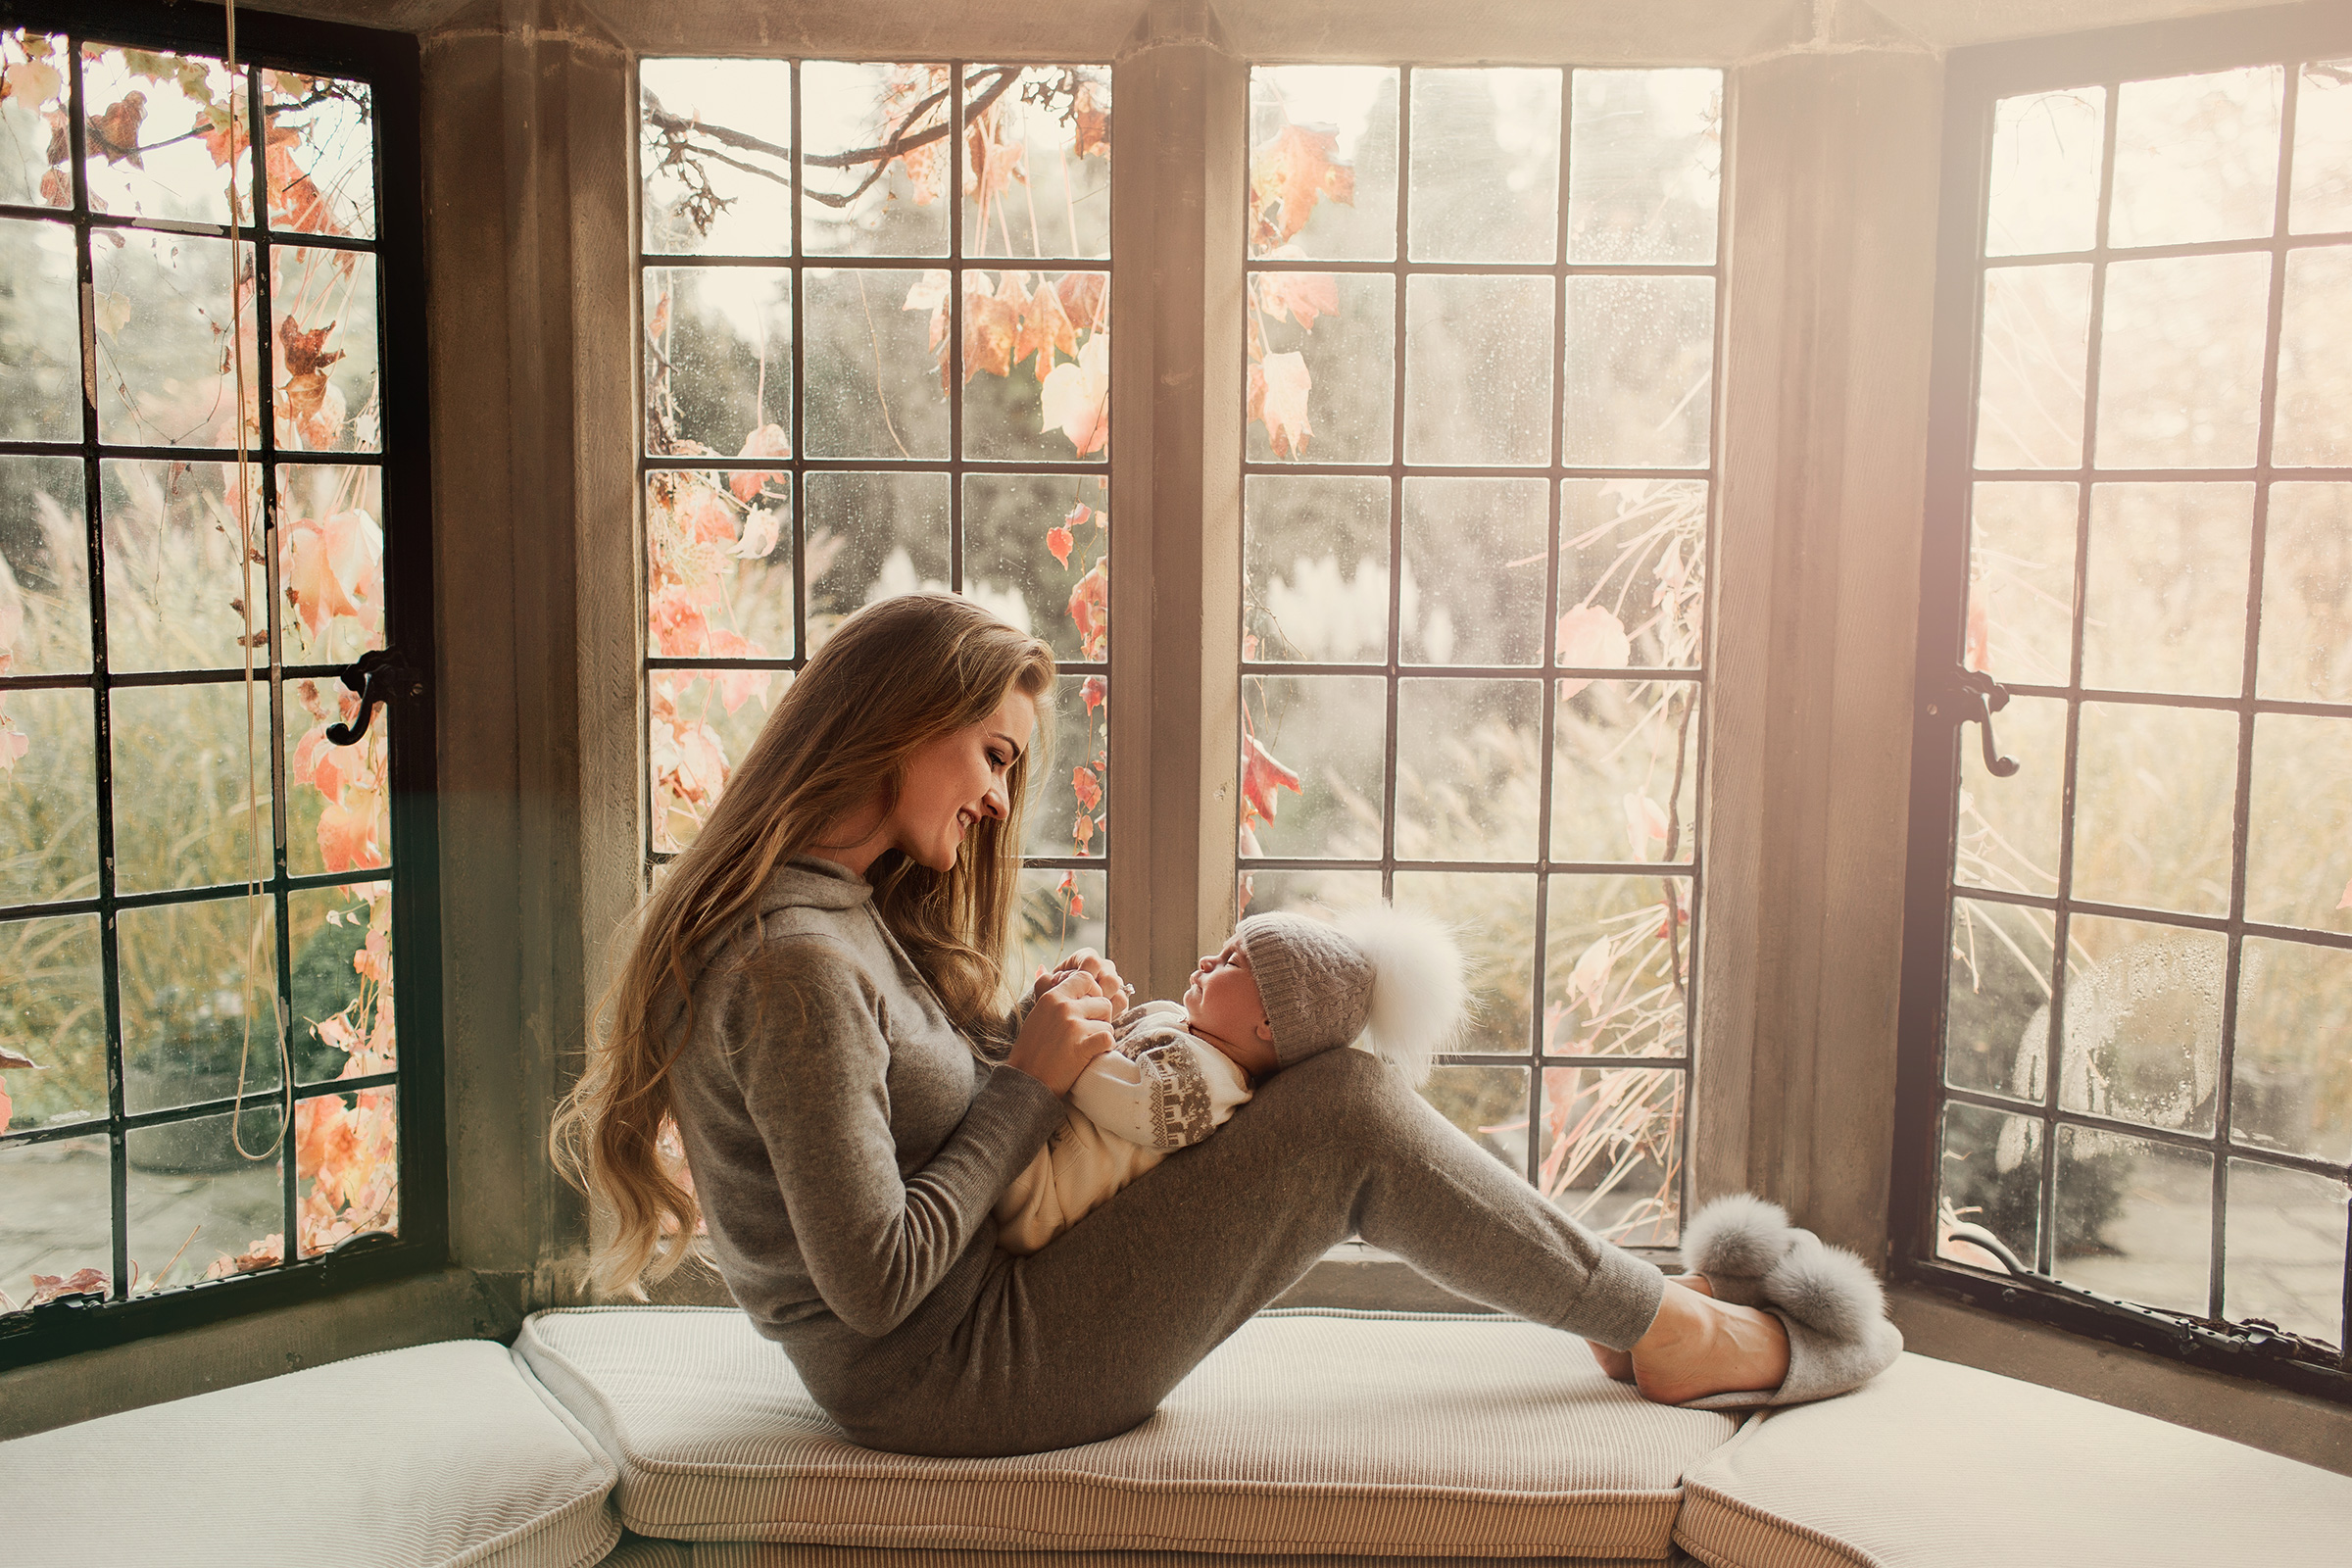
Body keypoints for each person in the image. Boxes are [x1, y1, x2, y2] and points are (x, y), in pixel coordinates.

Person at [553, 593, 1808, 1459]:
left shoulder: (834, 915)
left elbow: (916, 1120)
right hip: (955, 1375)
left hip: (983, 1317)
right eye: (992, 755)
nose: (998, 800)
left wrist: (1064, 1041)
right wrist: (1028, 1084)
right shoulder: (795, 969)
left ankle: (1618, 1305)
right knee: (1349, 1113)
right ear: (898, 721)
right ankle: (1673, 1331)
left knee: (1301, 1082)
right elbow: (875, 1286)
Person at [994, 905, 1466, 1255]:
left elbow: (1132, 1101)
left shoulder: (1212, 1086)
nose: (1206, 962)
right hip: (1035, 1142)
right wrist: (1098, 1006)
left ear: (1271, 1023)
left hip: (1042, 1196)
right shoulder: (1177, 1022)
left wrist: (1063, 1045)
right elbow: (1119, 1043)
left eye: (1230, 963)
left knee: (975, 1095)